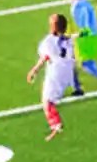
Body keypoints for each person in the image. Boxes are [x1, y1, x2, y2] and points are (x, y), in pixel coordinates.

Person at [26, 13, 75, 141]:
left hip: (56, 72)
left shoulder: (47, 42)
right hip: (68, 71)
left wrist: (34, 70)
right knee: (53, 97)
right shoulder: (69, 40)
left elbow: (45, 57)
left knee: (47, 101)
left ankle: (56, 125)